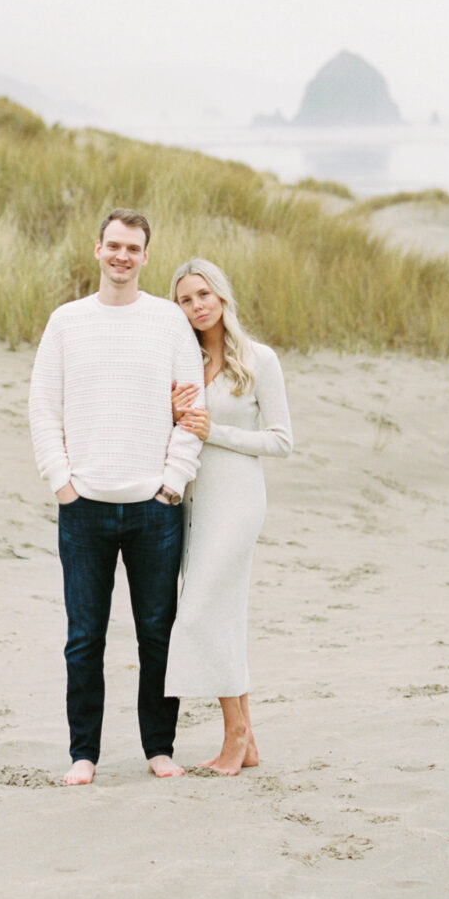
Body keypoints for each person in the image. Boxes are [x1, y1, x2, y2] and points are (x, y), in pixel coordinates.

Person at [28, 208, 205, 786]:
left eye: (134, 248)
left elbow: (192, 409)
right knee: (85, 638)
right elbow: (42, 407)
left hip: (154, 508)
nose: (122, 256)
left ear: (145, 256)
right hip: (84, 508)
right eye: (114, 246)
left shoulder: (168, 323)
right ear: (97, 249)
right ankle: (84, 754)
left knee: (158, 632)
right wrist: (63, 482)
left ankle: (159, 746)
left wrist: (171, 483)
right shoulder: (66, 321)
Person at [164, 258, 293, 775]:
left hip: (238, 499)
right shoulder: (182, 363)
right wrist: (172, 415)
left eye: (203, 295)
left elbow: (282, 441)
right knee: (219, 612)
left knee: (201, 611)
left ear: (222, 296)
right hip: (194, 503)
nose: (196, 306)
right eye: (185, 299)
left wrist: (213, 431)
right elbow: (176, 431)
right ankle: (248, 738)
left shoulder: (260, 359)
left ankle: (235, 734)